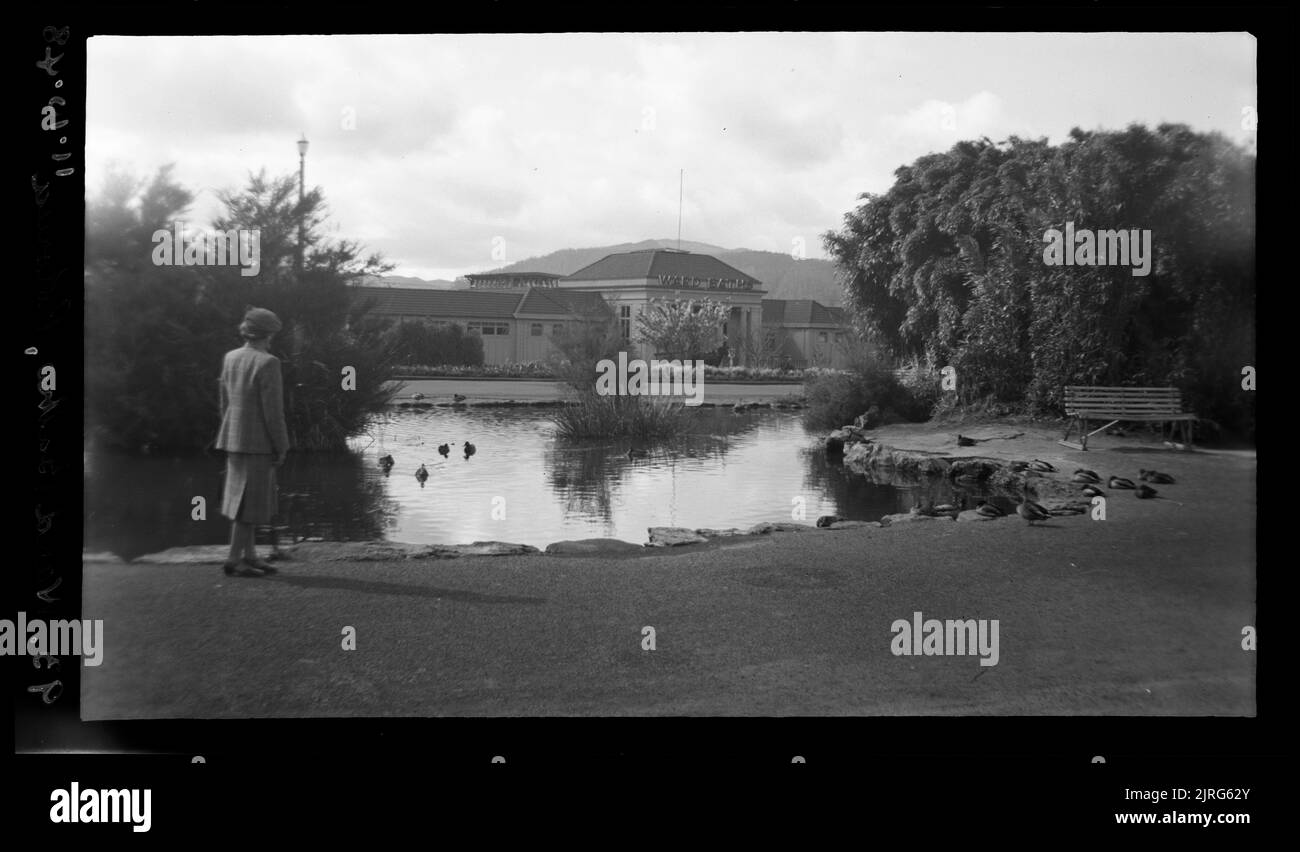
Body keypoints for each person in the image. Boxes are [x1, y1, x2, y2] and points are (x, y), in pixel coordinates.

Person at [215, 307, 290, 577]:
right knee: (249, 506)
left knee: (242, 500)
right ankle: (235, 560)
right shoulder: (268, 362)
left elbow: (224, 401)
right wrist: (281, 445)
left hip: (234, 439)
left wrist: (232, 429)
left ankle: (250, 555)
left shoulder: (230, 357)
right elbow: (273, 412)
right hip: (258, 444)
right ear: (268, 333)